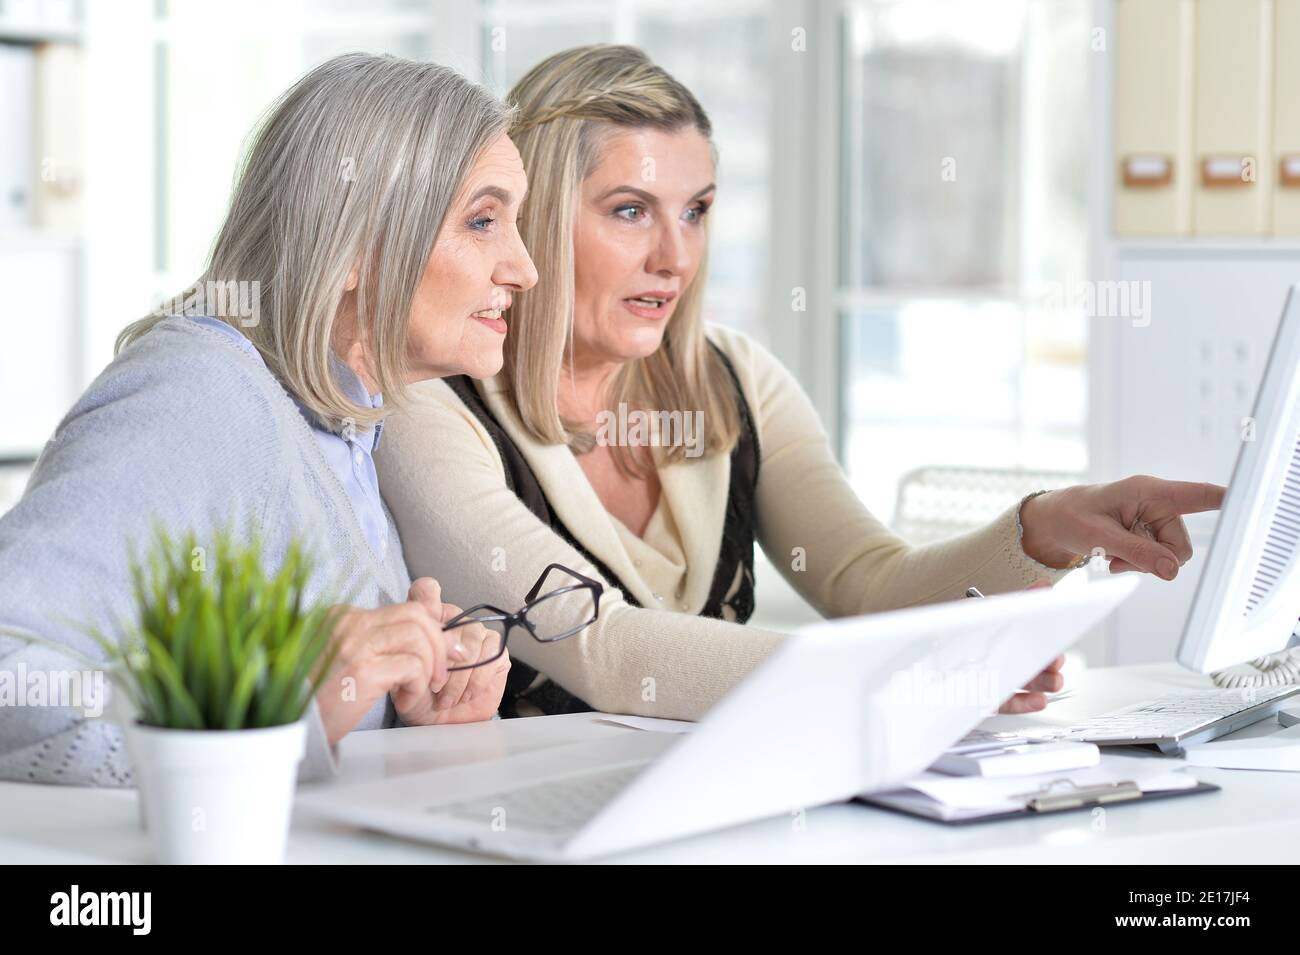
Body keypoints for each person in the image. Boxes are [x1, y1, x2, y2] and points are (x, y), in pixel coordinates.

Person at [375, 44, 1224, 721]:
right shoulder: (431, 402)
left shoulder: (738, 378)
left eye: (697, 210)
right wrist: (898, 681)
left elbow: (869, 586)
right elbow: (605, 647)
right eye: (630, 210)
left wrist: (1044, 529)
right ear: (535, 214)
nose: (675, 257)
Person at [0, 53, 538, 786]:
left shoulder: (347, 423)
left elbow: (309, 733)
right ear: (354, 245)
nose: (525, 268)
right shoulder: (198, 393)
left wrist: (407, 707)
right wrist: (271, 702)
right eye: (483, 220)